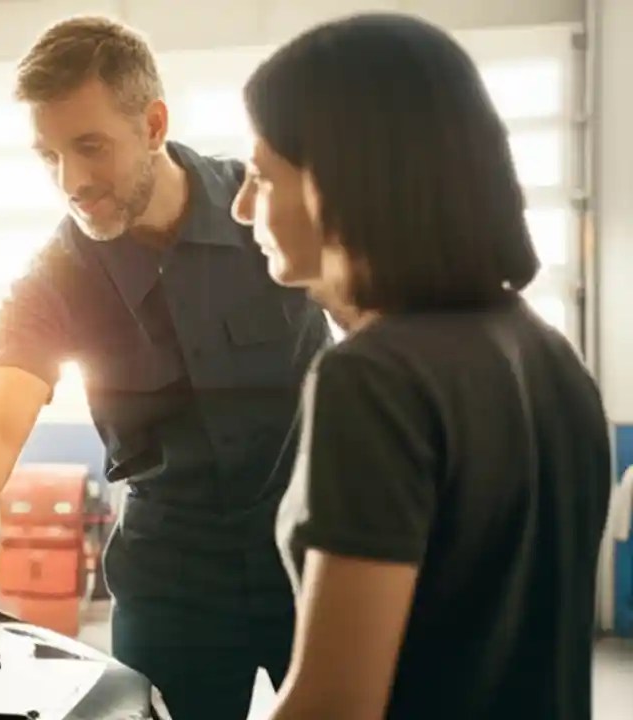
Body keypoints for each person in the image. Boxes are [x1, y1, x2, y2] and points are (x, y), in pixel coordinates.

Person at [0, 15, 330, 718]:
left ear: (153, 125)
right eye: (49, 156)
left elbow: (389, 327)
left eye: (90, 147)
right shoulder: (55, 278)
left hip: (317, 557)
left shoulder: (269, 208)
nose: (71, 181)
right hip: (173, 584)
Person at [228, 13, 613, 719]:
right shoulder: (547, 352)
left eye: (261, 175)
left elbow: (334, 708)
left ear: (339, 181)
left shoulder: (373, 380)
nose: (242, 205)